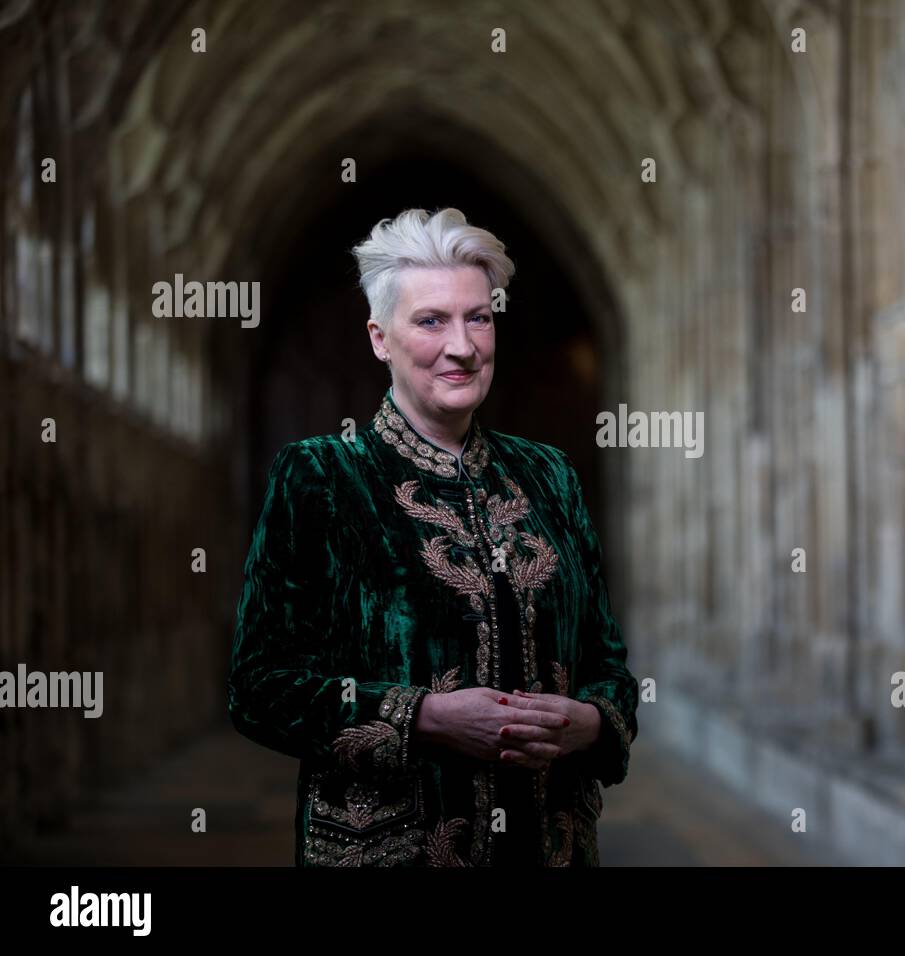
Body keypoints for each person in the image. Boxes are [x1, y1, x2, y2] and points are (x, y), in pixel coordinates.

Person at [226, 207, 637, 866]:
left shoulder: (549, 475)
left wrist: (589, 723)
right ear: (379, 337)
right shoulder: (322, 476)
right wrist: (426, 717)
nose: (463, 346)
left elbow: (607, 665)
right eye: (431, 321)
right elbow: (260, 689)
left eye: (478, 317)